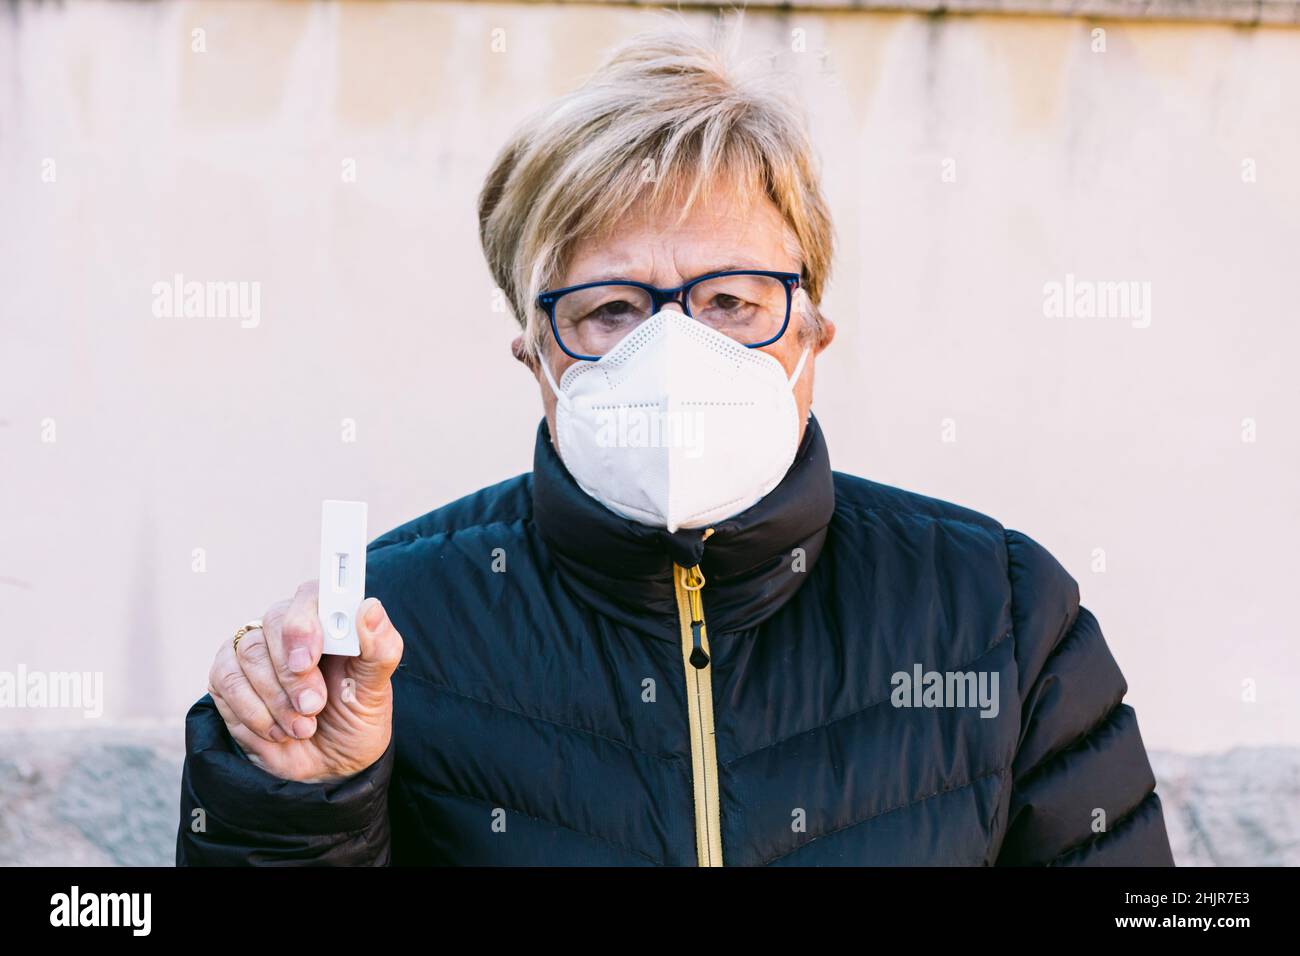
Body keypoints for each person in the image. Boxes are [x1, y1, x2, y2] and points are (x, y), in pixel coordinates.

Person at [176, 27, 1175, 866]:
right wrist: (298, 800)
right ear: (536, 357)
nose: (675, 349)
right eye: (611, 308)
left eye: (732, 300)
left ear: (813, 332)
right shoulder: (396, 634)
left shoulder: (998, 614)